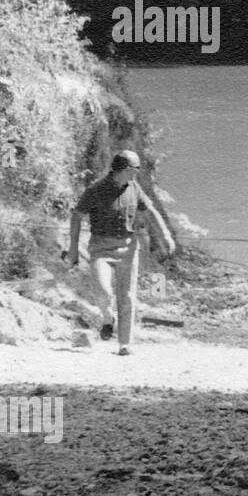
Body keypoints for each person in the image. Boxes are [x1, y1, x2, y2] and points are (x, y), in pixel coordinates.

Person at [67, 150, 176, 356]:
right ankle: (108, 318)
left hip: (128, 248)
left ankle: (124, 344)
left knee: (126, 296)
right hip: (100, 248)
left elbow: (150, 212)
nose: (137, 174)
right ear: (125, 169)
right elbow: (76, 216)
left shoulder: (134, 188)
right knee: (103, 291)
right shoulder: (95, 190)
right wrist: (73, 249)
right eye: (135, 169)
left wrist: (165, 236)